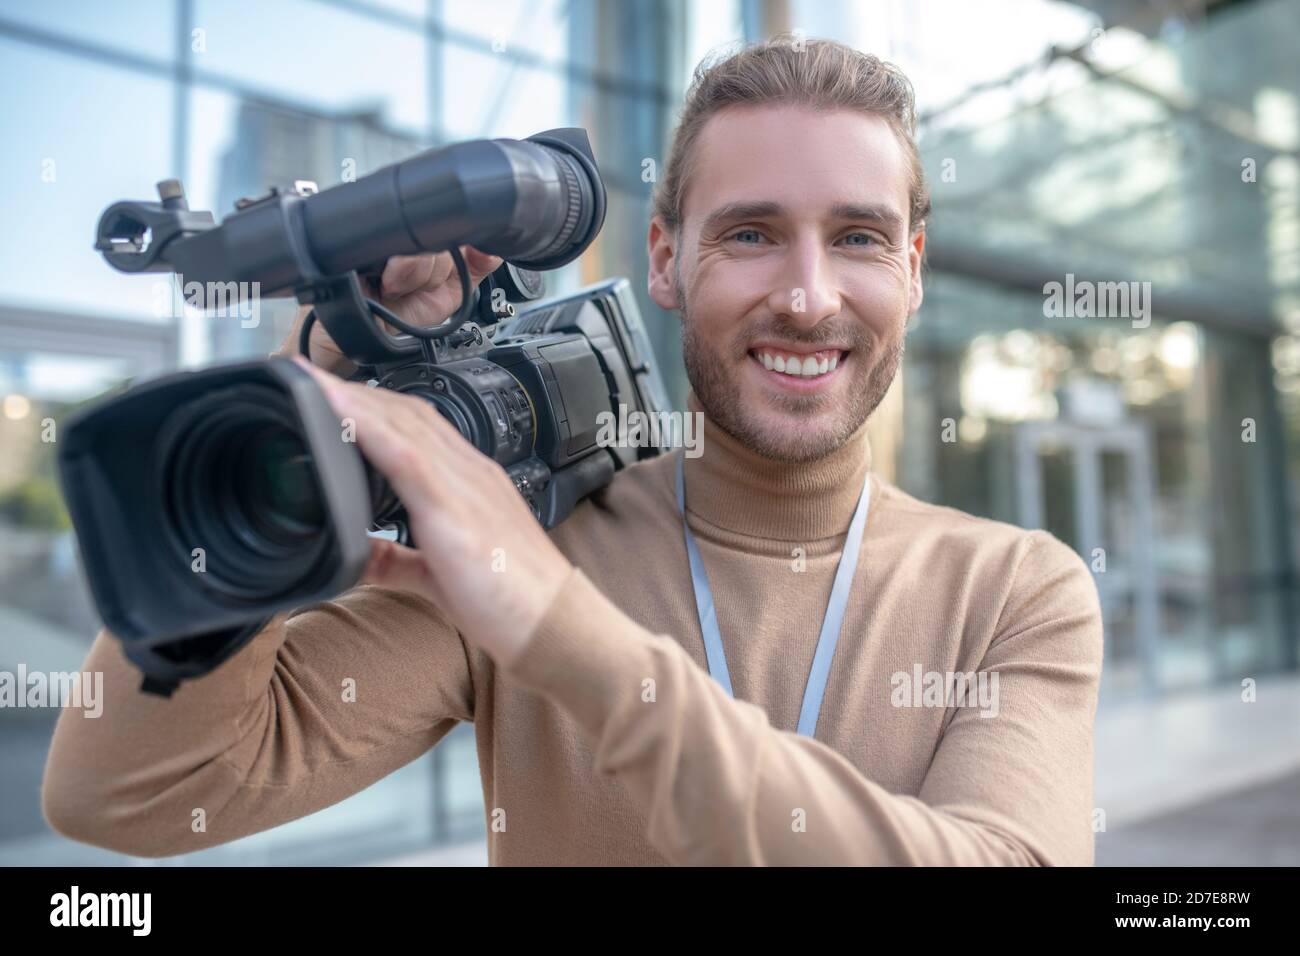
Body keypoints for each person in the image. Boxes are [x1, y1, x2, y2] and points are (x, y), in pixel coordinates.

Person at [42, 35, 1103, 866]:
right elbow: (126, 791)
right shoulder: (531, 534)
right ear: (664, 258)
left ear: (912, 271)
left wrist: (561, 633)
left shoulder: (1014, 589)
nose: (807, 294)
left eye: (859, 238)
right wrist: (312, 389)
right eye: (748, 233)